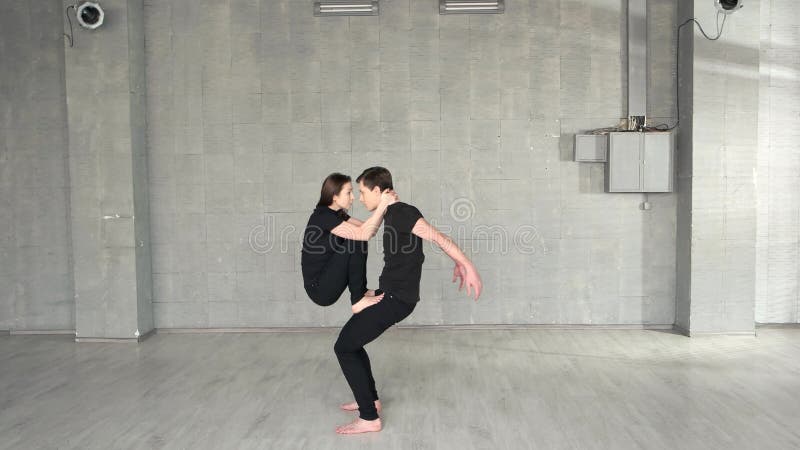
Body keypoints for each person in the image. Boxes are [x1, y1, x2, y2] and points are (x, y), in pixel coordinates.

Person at [333, 167, 483, 435]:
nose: (361, 198)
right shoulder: (390, 213)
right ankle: (371, 401)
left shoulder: (402, 212)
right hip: (389, 293)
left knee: (344, 347)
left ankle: (369, 418)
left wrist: (467, 265)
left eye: (364, 192)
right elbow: (367, 229)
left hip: (396, 299)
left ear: (378, 191)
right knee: (351, 344)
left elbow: (439, 237)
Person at [301, 173, 397, 313]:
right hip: (319, 289)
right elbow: (363, 234)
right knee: (356, 239)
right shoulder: (323, 216)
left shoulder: (336, 214)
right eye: (348, 192)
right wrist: (383, 205)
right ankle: (358, 300)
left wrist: (385, 204)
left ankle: (361, 292)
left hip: (327, 279)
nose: (353, 197)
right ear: (334, 195)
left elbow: (370, 230)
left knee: (358, 237)